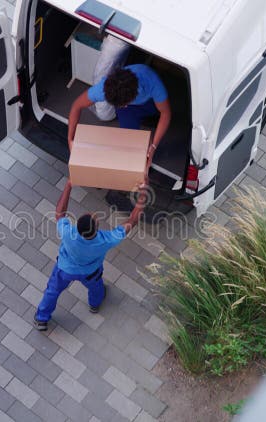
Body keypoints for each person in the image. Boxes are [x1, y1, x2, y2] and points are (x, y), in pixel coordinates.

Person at [34, 179, 148, 330]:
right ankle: (94, 305)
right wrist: (142, 195)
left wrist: (68, 185)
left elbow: (60, 213)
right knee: (97, 288)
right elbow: (132, 220)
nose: (94, 215)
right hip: (90, 273)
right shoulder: (106, 240)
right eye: (95, 218)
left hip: (64, 270)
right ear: (96, 229)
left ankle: (41, 318)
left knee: (52, 291)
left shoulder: (68, 233)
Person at [67, 64, 172, 171]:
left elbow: (166, 114)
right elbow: (76, 106)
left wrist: (153, 147)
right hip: (130, 108)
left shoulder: (152, 82)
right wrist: (70, 139)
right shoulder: (104, 88)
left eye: (123, 104)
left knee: (156, 113)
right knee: (128, 140)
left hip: (150, 101)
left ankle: (148, 118)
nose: (121, 107)